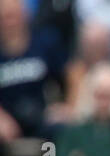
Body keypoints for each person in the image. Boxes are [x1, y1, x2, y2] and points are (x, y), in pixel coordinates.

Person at [0, 0, 69, 142]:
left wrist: (68, 105)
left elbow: (72, 73)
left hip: (41, 118)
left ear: (25, 15)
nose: (10, 22)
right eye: (5, 17)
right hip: (7, 121)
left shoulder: (45, 41)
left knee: (61, 131)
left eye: (13, 16)